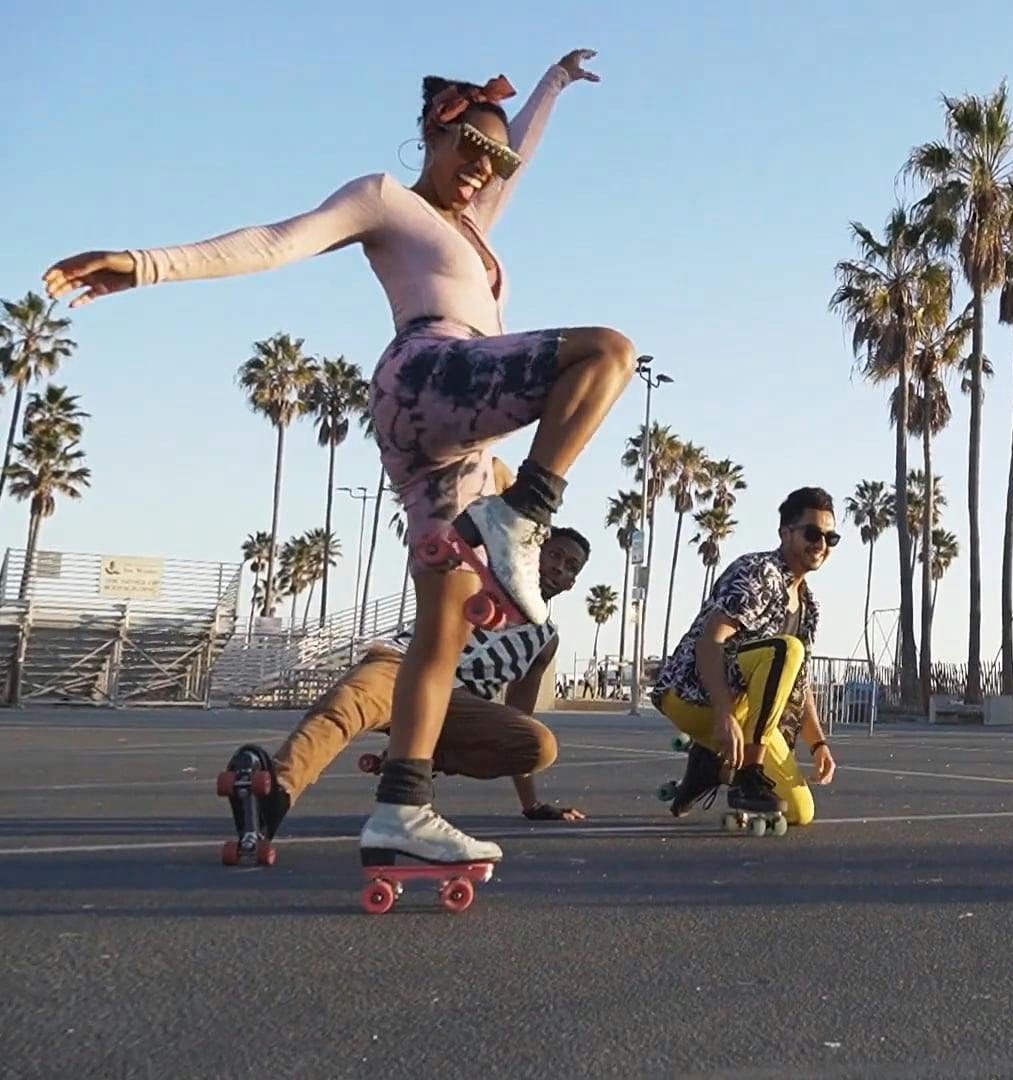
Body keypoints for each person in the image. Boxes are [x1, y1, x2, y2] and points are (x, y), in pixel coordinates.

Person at [44, 48, 634, 868]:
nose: (481, 171)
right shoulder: (384, 200)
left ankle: (403, 809)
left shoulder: (475, 223)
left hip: (450, 441)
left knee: (438, 633)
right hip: (431, 373)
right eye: (469, 149)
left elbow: (519, 155)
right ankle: (525, 514)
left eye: (493, 161)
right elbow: (276, 242)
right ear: (434, 132)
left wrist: (555, 84)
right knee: (607, 354)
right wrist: (146, 265)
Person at [224, 522, 595, 860]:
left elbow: (519, 714)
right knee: (347, 706)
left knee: (539, 745)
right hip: (408, 664)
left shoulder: (544, 639)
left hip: (455, 704)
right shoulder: (486, 573)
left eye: (571, 567)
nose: (560, 567)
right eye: (555, 555)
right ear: (537, 554)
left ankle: (416, 757)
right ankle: (276, 792)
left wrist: (532, 806)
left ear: (571, 583)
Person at [650, 488, 840, 826]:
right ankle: (748, 771)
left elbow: (799, 681)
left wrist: (818, 743)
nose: (821, 544)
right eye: (812, 533)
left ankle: (712, 768)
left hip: (745, 715)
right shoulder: (758, 572)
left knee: (799, 811)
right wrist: (724, 713)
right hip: (694, 698)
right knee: (787, 649)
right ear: (785, 533)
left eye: (830, 537)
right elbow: (710, 641)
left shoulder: (809, 607)